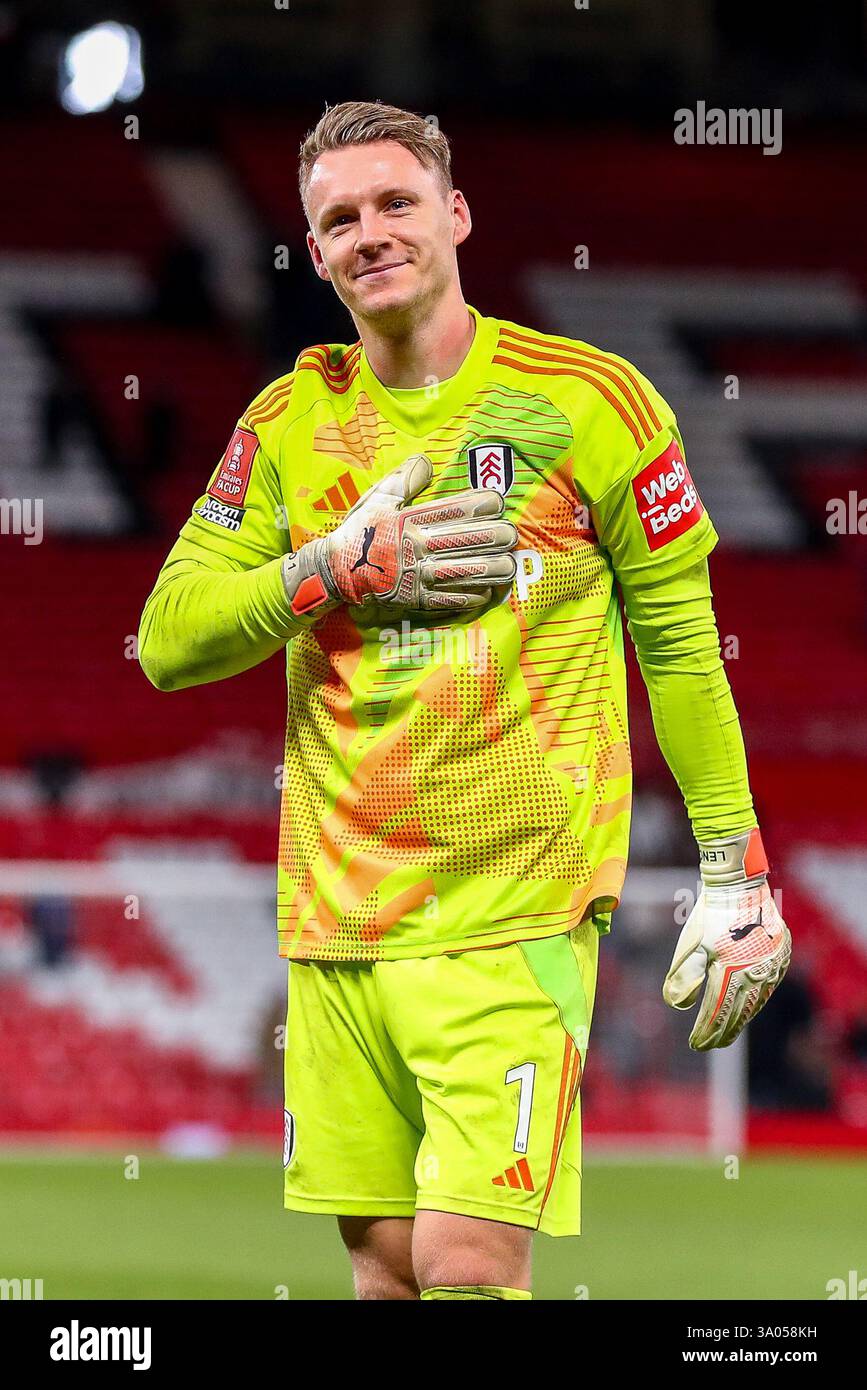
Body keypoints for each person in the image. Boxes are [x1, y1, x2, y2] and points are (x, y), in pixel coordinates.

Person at [138, 99, 791, 1301]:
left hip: (515, 911)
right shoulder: (286, 421)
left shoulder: (592, 400)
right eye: (339, 219)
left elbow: (683, 646)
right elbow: (166, 641)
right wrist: (325, 568)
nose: (370, 232)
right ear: (316, 252)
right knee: (385, 1272)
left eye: (397, 202)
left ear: (457, 214)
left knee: (468, 1263)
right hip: (336, 920)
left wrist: (735, 871)